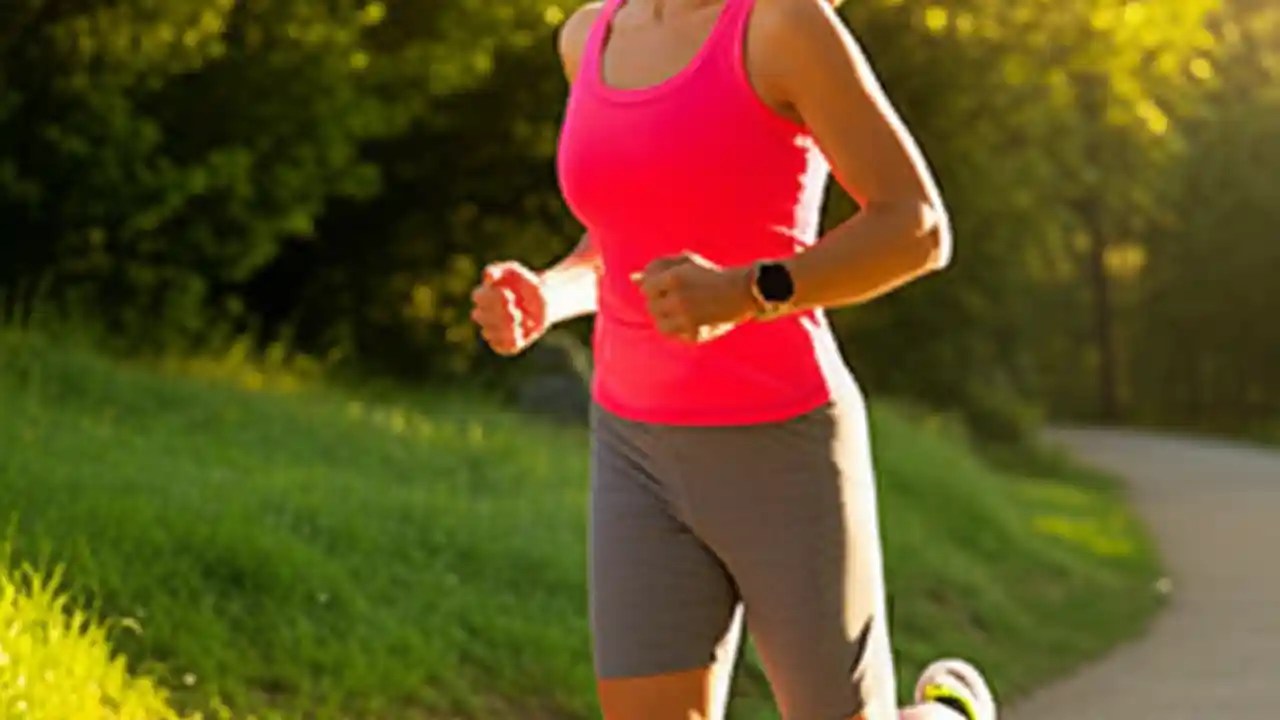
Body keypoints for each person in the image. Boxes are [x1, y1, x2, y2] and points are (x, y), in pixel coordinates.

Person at [470, 0, 999, 718]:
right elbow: (616, 244)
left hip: (782, 441)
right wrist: (546, 296)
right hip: (633, 448)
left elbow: (917, 226)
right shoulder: (588, 35)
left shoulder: (781, 25)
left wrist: (749, 291)